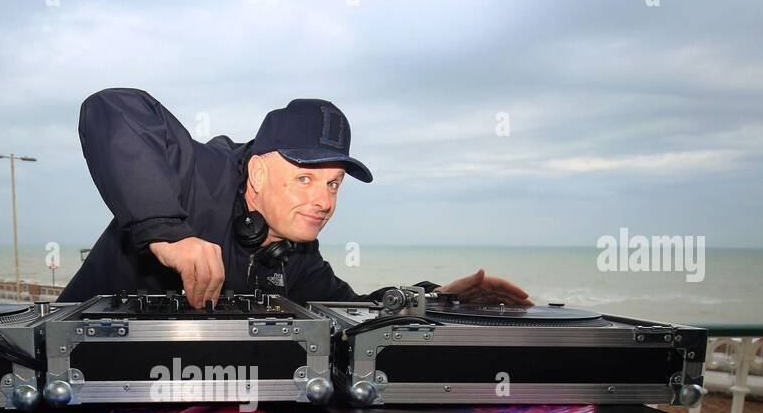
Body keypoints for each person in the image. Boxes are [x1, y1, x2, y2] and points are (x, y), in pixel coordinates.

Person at [59, 88, 531, 309]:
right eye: (305, 179)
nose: (323, 201)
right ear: (259, 171)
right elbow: (111, 108)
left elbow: (355, 314)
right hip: (73, 384)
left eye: (333, 184)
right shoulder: (197, 174)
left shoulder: (296, 253)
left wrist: (439, 299)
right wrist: (165, 232)